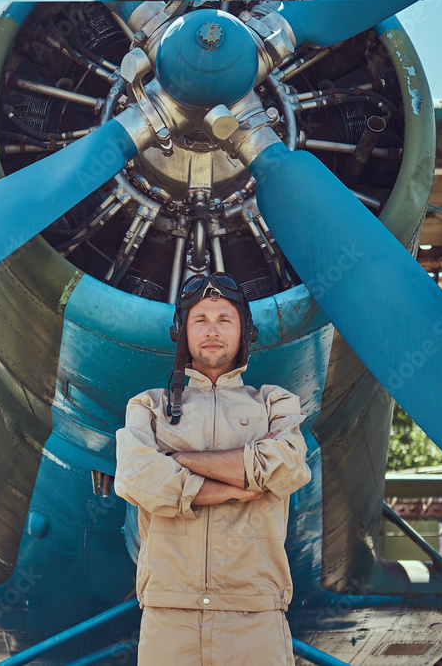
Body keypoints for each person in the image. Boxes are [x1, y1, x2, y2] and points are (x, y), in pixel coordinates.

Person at [114, 273, 312, 665]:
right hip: (170, 617)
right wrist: (239, 487)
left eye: (225, 319)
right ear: (181, 332)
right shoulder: (148, 407)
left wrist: (178, 462)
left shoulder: (277, 403)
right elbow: (136, 477)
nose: (212, 330)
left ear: (245, 332)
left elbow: (287, 468)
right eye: (200, 319)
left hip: (255, 614)